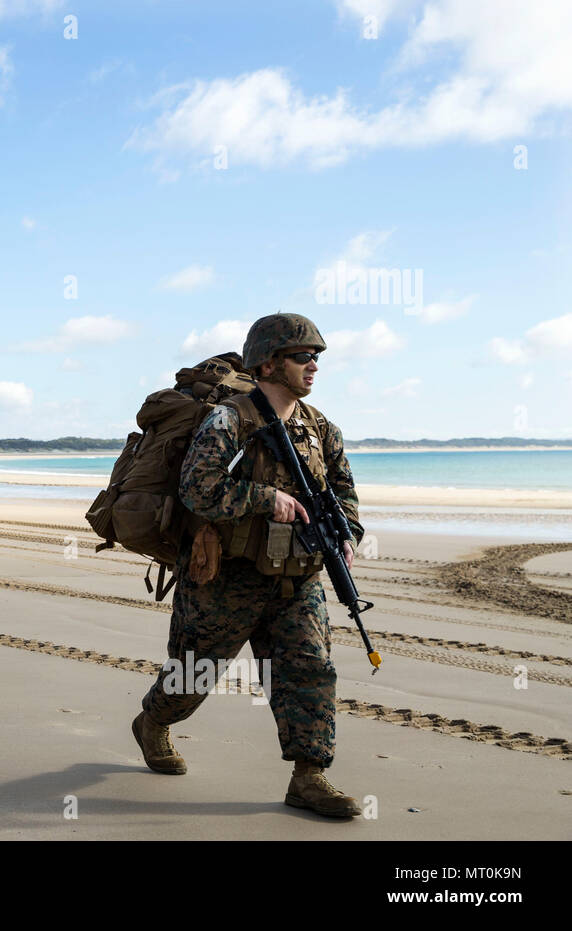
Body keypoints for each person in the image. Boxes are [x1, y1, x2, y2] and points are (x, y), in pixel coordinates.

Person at [133, 313, 365, 818]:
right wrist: (265, 498)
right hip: (225, 576)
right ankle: (153, 722)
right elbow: (198, 487)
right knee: (192, 676)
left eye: (317, 358)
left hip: (297, 578)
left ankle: (309, 776)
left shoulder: (320, 426)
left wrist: (348, 535)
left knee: (310, 670)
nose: (314, 366)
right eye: (303, 357)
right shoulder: (231, 420)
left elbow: (343, 492)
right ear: (269, 362)